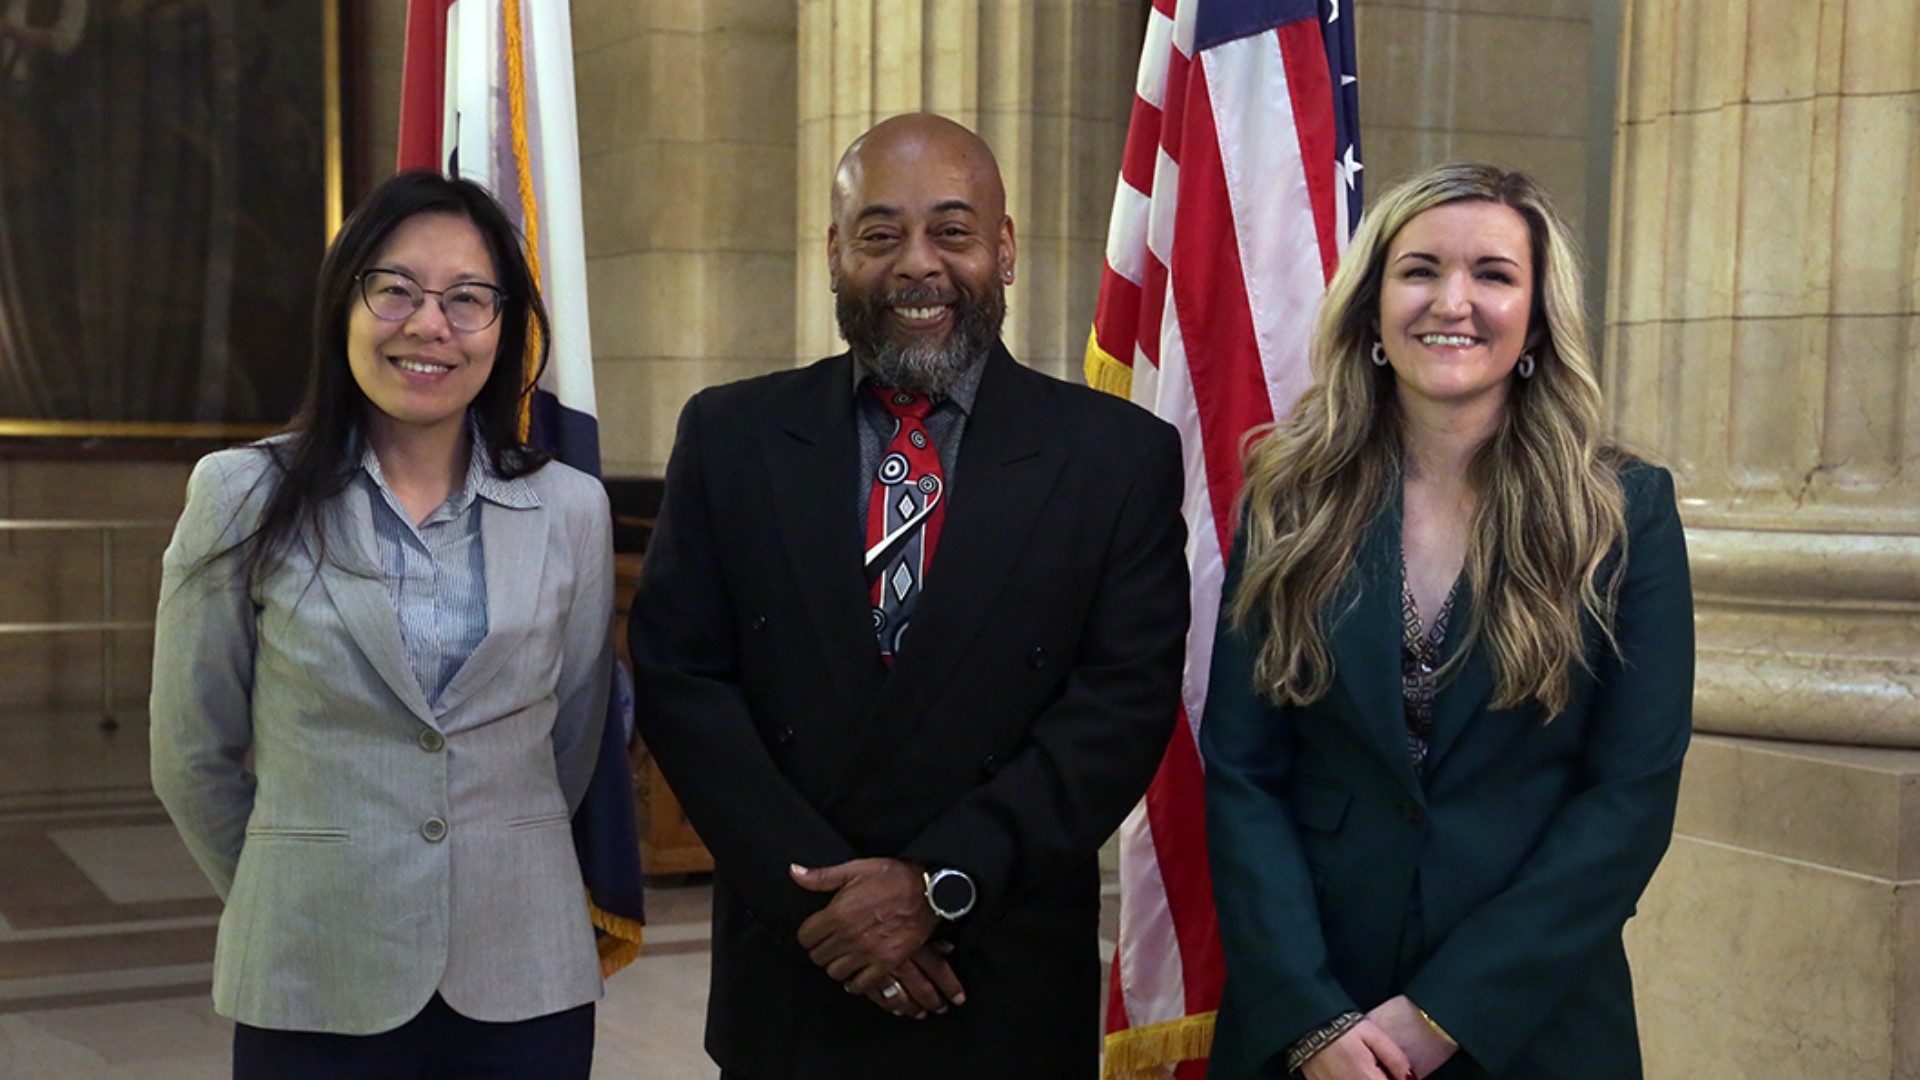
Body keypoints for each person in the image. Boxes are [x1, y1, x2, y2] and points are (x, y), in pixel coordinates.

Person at [627, 112, 1190, 1079]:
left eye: (953, 231)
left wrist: (939, 885)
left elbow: (1121, 706)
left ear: (1003, 250)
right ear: (835, 253)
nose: (916, 265)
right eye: (880, 234)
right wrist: (827, 907)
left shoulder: (1116, 458)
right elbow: (684, 681)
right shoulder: (730, 435)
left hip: (999, 970)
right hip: (795, 968)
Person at [1201, 163, 1693, 1080]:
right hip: (1314, 1012)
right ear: (1374, 308)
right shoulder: (1287, 495)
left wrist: (1447, 1012)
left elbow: (1631, 794)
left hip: (1529, 1016)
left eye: (1495, 275)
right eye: (1420, 269)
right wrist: (1309, 1015)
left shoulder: (1624, 509)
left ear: (1538, 317)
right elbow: (1243, 772)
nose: (1453, 302)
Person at [150, 171, 613, 1080]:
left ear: (504, 325)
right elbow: (190, 752)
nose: (428, 324)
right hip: (313, 965)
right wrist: (293, 883)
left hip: (522, 974)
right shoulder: (240, 495)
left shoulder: (570, 508)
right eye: (395, 288)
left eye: (467, 298)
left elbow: (574, 735)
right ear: (344, 305)